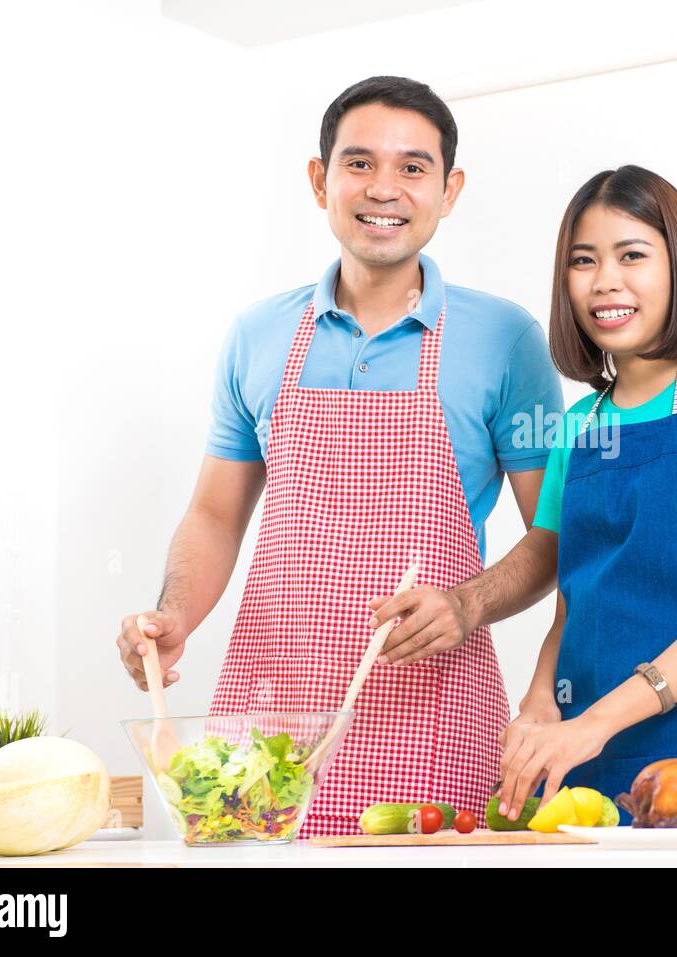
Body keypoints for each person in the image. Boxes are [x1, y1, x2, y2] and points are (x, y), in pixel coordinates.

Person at [114, 76, 563, 837]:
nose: (383, 188)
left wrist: (466, 604)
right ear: (321, 180)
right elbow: (214, 513)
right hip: (268, 729)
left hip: (433, 719)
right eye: (359, 163)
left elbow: (556, 535)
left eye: (413, 168)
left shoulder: (505, 339)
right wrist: (173, 613)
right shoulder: (257, 335)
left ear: (449, 190)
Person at [376, 165, 677, 826]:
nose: (606, 281)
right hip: (584, 768)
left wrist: (596, 719)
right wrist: (543, 699)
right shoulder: (576, 426)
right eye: (584, 260)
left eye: (632, 255)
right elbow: (579, 595)